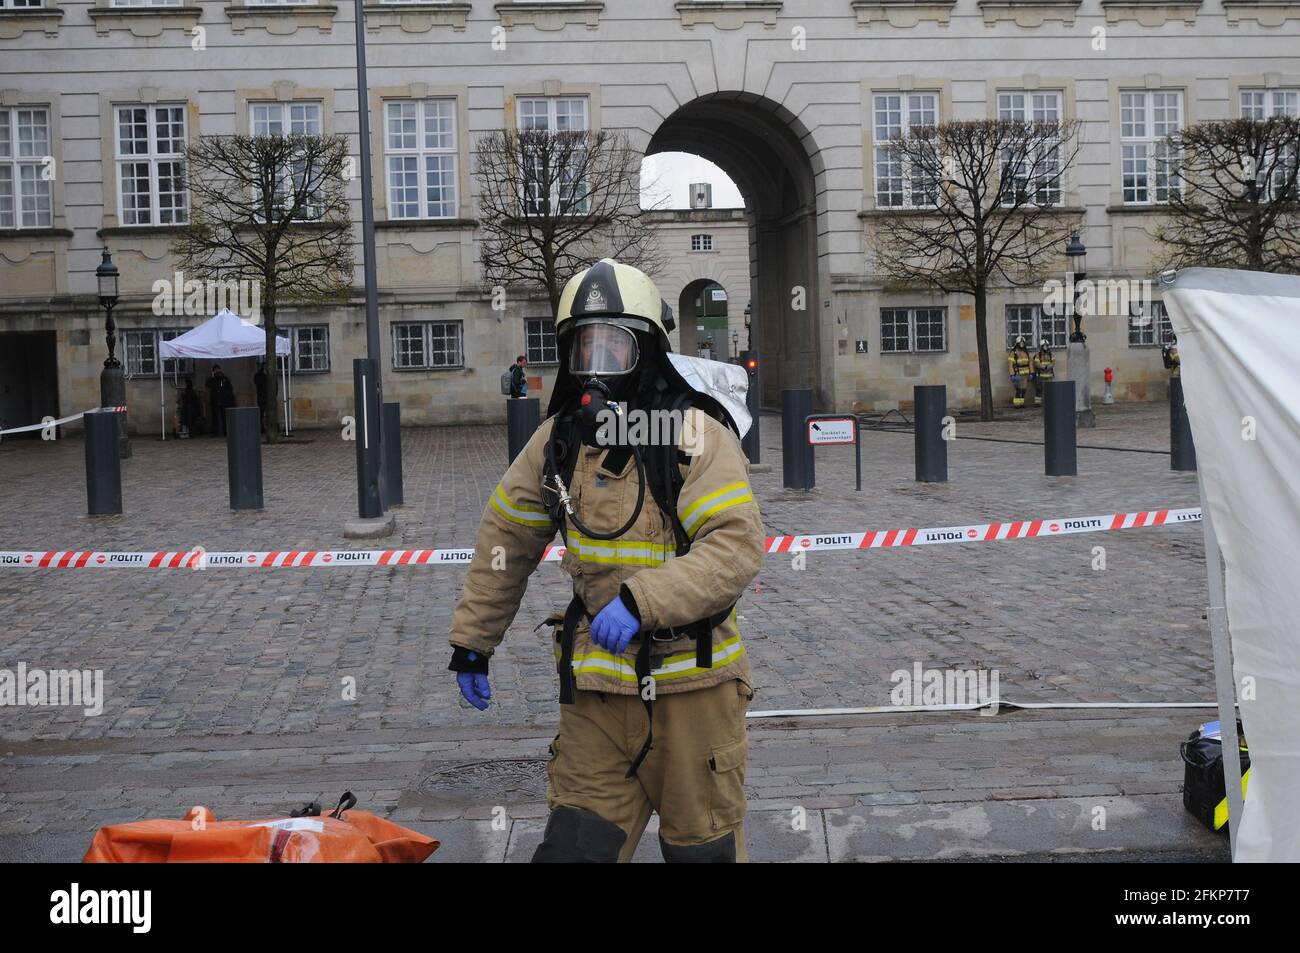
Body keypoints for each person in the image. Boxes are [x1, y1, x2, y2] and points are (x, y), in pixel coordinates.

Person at [447, 259, 764, 863]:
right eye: (582, 348)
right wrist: (473, 641)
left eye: (613, 349)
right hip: (595, 701)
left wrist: (640, 601)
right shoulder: (559, 441)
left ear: (646, 354)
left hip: (692, 695)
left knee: (705, 855)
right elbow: (506, 541)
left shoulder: (695, 434)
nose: (595, 369)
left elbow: (735, 547)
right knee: (572, 853)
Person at [206, 364, 235, 436]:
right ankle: (215, 432)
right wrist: (212, 376)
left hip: (224, 401)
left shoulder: (224, 378)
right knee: (214, 417)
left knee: (224, 417)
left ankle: (226, 432)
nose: (217, 371)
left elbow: (230, 388)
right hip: (215, 400)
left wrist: (229, 398)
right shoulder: (213, 379)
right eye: (215, 370)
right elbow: (207, 384)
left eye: (218, 370)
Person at [1007, 336, 1032, 408]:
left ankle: (1021, 403)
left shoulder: (1026, 352)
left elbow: (1029, 363)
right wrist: (1012, 375)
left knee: (1024, 389)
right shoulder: (1013, 353)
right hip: (1018, 374)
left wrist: (1031, 373)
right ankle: (1017, 404)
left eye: (1023, 343)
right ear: (1017, 343)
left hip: (1026, 374)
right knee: (1018, 389)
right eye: (1020, 343)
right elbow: (1010, 364)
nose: (1022, 344)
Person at [1031, 338, 1054, 407]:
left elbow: (1053, 362)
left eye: (1046, 346)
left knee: (1049, 390)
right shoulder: (1038, 355)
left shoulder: (1050, 354)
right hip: (1040, 375)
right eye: (1044, 346)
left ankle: (1049, 402)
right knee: (1039, 389)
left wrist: (1049, 366)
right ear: (1041, 347)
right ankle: (1037, 403)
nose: (1045, 347)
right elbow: (1036, 363)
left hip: (1049, 375)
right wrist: (1044, 367)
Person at [254, 361, 268, 435]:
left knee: (267, 413)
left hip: (266, 396)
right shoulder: (259, 375)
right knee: (261, 413)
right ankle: (262, 427)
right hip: (262, 396)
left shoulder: (266, 375)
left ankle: (266, 427)